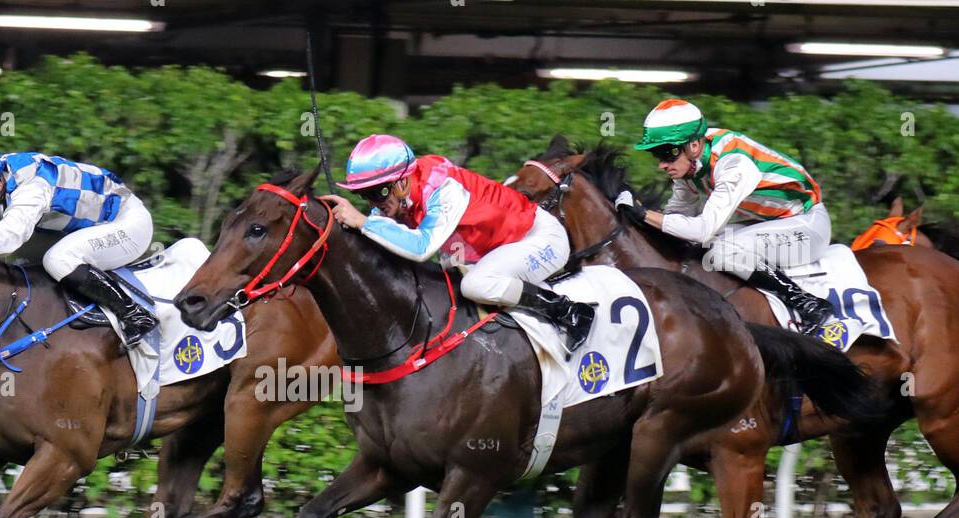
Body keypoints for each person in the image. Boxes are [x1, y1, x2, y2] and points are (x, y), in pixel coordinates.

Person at [322, 134, 593, 354]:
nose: (373, 204)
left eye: (378, 192)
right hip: (497, 248)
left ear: (403, 181)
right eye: (364, 195)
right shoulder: (399, 196)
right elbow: (383, 235)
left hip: (540, 240)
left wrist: (362, 222)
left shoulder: (443, 188)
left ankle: (569, 312)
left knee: (476, 285)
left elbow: (421, 248)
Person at [616, 99, 835, 335]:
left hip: (809, 227)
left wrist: (644, 214)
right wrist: (638, 217)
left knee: (723, 251)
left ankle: (808, 304)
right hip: (771, 223)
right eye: (656, 154)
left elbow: (702, 230)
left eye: (666, 153)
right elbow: (676, 217)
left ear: (694, 145)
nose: (661, 164)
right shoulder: (690, 165)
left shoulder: (734, 164)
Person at [0, 145, 158, 346]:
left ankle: (134, 315)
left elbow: (6, 239)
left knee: (58, 259)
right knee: (17, 262)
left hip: (128, 225)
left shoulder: (33, 187)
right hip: (86, 227)